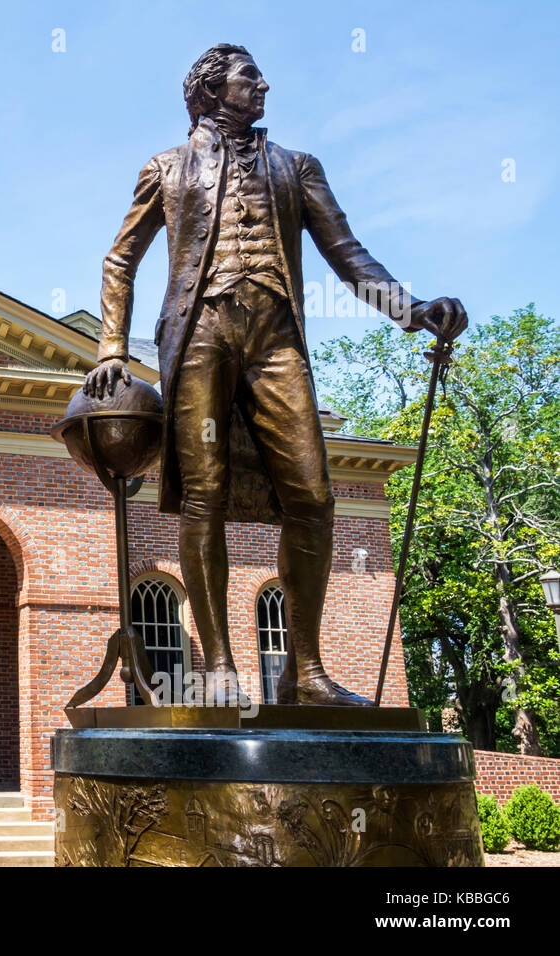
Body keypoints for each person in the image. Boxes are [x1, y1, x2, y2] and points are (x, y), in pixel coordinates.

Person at [84, 44, 467, 706]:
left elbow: (349, 256)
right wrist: (112, 347)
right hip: (199, 334)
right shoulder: (166, 168)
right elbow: (120, 259)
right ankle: (224, 669)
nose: (263, 85)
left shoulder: (297, 167)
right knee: (203, 497)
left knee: (314, 498)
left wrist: (412, 309)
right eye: (247, 77)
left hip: (276, 339)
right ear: (210, 90)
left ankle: (305, 672)